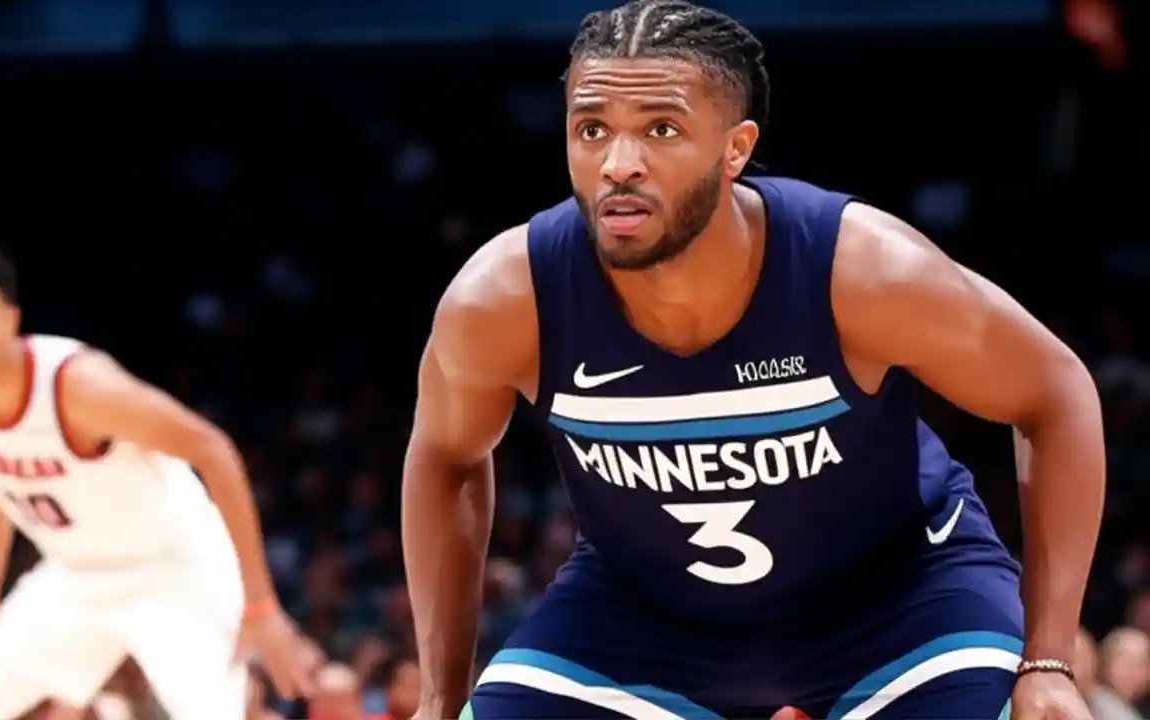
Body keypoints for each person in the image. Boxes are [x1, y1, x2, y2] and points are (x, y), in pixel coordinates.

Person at [401, 1, 1105, 718]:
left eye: (661, 129)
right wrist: (438, 697)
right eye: (591, 130)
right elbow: (445, 455)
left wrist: (1049, 660)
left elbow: (1054, 393)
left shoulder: (863, 272)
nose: (618, 164)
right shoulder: (506, 298)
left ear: (735, 149)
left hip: (901, 601)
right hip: (640, 616)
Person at [0, 241, 321, 719]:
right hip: (74, 573)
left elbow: (213, 449)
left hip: (173, 567)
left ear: (13, 320)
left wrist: (260, 603)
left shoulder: (81, 387)